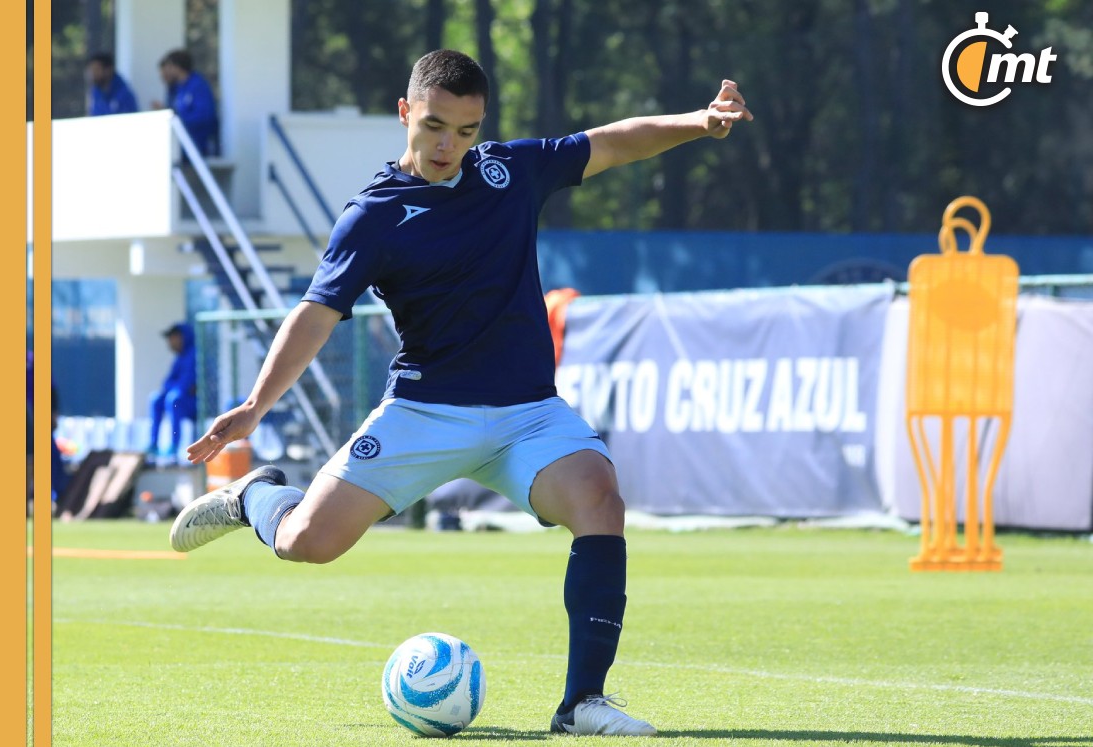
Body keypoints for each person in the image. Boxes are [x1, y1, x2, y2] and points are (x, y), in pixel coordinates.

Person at [170, 49, 751, 736]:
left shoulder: (510, 172)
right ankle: (256, 496)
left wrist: (698, 121)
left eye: (467, 130)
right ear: (405, 113)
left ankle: (582, 703)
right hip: (425, 411)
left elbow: (612, 142)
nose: (450, 145)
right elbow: (315, 314)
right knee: (308, 542)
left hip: (529, 414)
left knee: (600, 497)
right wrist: (254, 406)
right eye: (436, 125)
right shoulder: (373, 216)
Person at [153, 49, 220, 156]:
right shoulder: (174, 88)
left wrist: (175, 118)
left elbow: (204, 117)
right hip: (180, 148)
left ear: (177, 67)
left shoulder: (198, 85)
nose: (166, 71)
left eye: (169, 67)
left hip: (198, 148)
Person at [147, 322, 197, 461]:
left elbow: (187, 384)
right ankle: (153, 444)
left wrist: (173, 388)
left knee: (173, 399)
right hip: (180, 398)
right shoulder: (179, 358)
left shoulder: (195, 354)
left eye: (173, 337)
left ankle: (174, 446)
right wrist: (172, 387)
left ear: (183, 337)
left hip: (195, 403)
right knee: (156, 399)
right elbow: (167, 382)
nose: (170, 342)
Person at [85, 52, 139, 116]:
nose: (93, 74)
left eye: (96, 69)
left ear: (108, 70)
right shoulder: (95, 92)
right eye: (91, 70)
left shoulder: (124, 94)